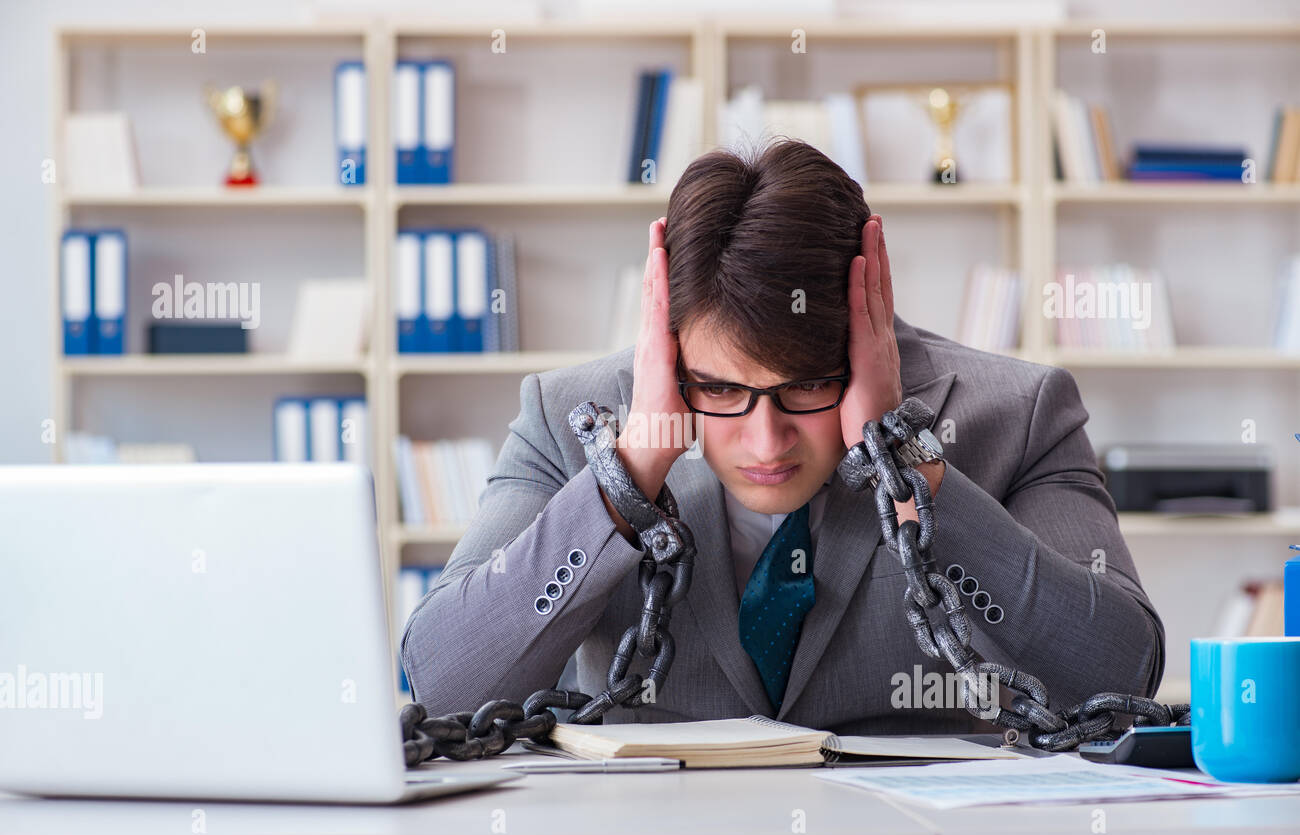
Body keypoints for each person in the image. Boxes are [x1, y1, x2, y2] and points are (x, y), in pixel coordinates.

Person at [400, 138, 1165, 735]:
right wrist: (628, 471)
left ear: (870, 318)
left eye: (807, 386)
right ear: (670, 345)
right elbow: (445, 682)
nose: (766, 442)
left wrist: (910, 459)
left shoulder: (1021, 413)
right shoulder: (570, 419)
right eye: (722, 389)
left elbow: (1118, 676)